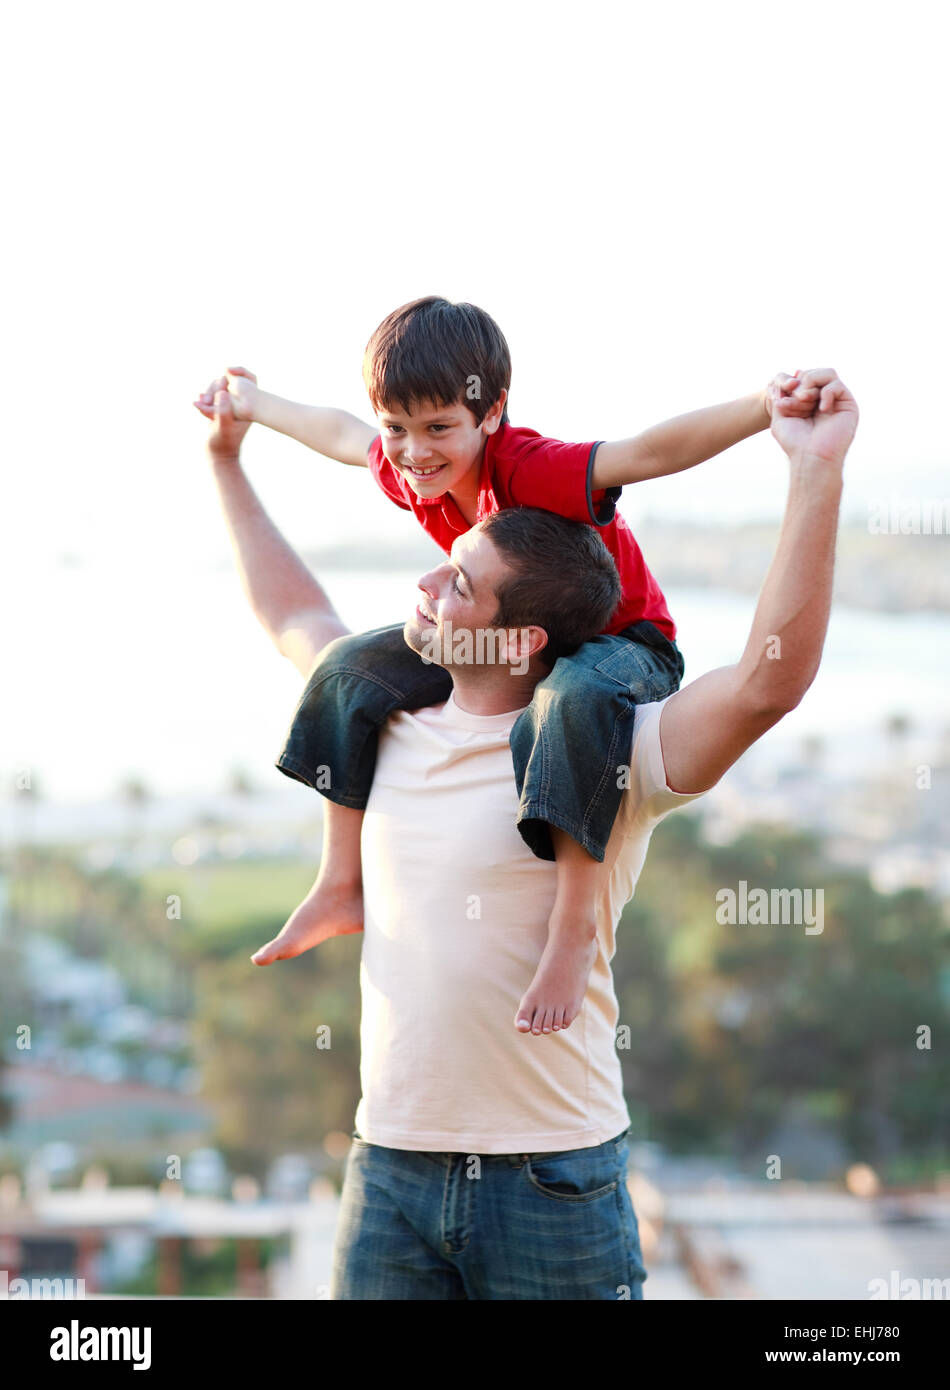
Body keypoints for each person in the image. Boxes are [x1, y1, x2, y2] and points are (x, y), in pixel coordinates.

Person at [201, 363, 858, 1299]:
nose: (426, 581)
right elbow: (293, 614)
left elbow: (767, 682)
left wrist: (814, 470)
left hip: (552, 1179)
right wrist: (230, 456)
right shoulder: (383, 716)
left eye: (460, 581)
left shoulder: (614, 749)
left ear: (517, 642)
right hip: (388, 1169)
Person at [194, 296, 817, 1037]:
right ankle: (338, 881)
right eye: (398, 428)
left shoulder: (528, 466)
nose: (414, 452)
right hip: (507, 637)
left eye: (437, 429)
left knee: (569, 699)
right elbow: (339, 432)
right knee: (347, 666)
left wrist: (763, 406)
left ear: (490, 414)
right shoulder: (408, 467)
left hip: (621, 646)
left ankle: (573, 925)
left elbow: (648, 453)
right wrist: (253, 405)